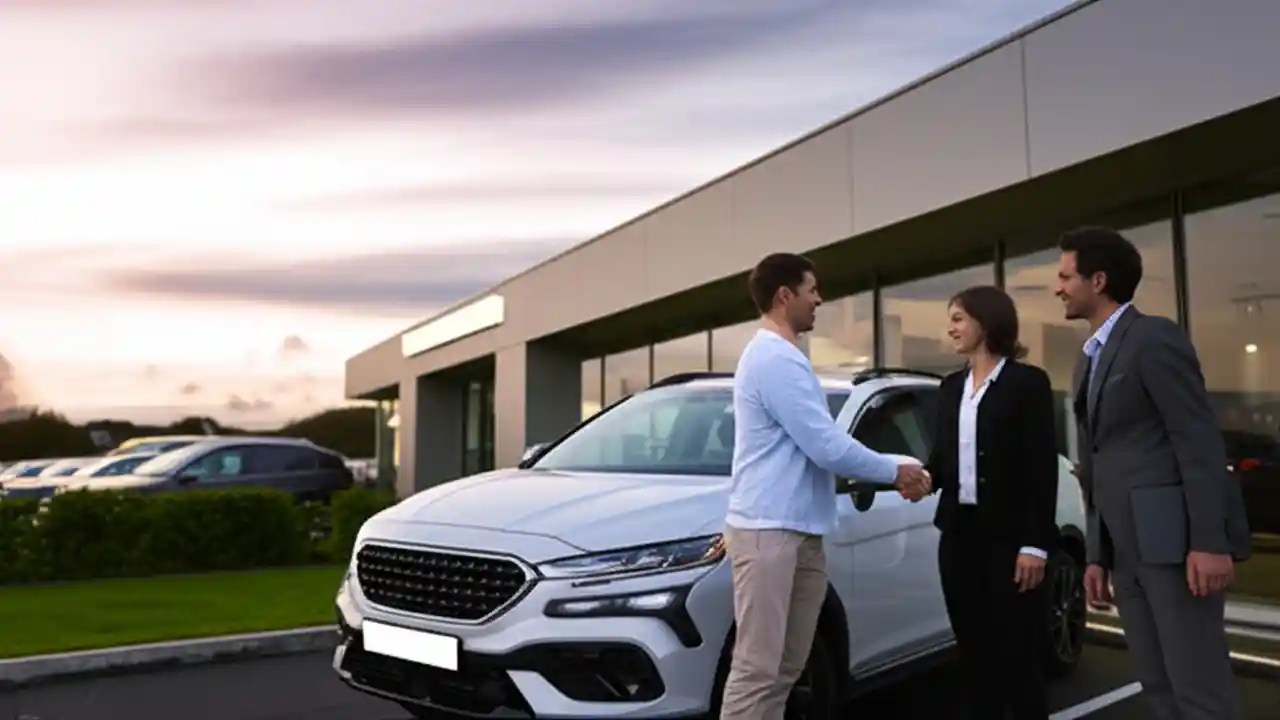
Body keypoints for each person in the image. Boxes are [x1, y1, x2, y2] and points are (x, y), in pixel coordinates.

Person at [720, 252, 932, 720]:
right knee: (758, 669)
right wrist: (897, 472)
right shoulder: (774, 358)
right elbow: (826, 446)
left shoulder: (785, 356)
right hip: (771, 533)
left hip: (796, 531)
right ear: (784, 296)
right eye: (811, 289)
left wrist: (896, 464)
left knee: (785, 668)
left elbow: (817, 445)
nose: (819, 298)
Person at [1056, 226, 1251, 719]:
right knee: (1157, 686)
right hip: (1125, 552)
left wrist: (1210, 542)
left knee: (1198, 690)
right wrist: (1097, 556)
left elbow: (1198, 442)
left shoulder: (1153, 338)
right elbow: (1098, 461)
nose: (1057, 287)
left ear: (1097, 280)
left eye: (1065, 276)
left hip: (1176, 548)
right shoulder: (1087, 361)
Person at [924, 285, 1057, 720]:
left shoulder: (1027, 383)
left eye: (959, 317)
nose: (952, 327)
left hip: (1011, 544)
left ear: (987, 321)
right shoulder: (949, 387)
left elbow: (1041, 468)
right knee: (975, 660)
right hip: (959, 542)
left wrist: (1035, 545)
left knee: (1018, 661)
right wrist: (915, 477)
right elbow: (942, 462)